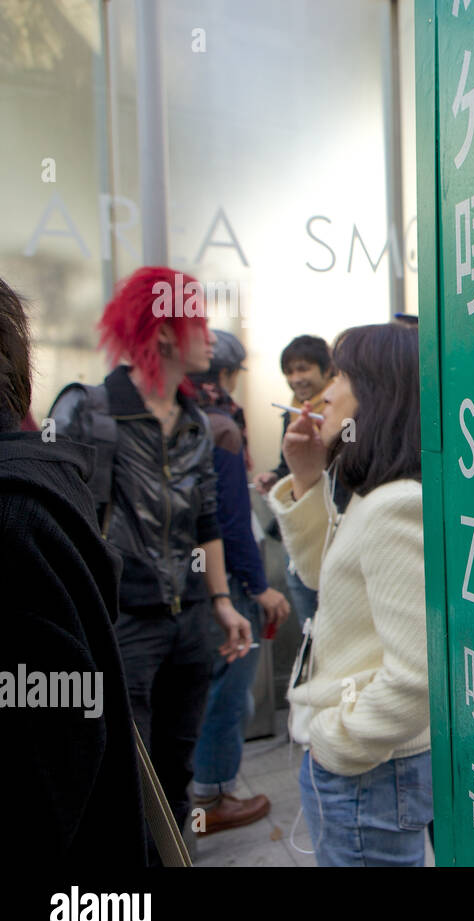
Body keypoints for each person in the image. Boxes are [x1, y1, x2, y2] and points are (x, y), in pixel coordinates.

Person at [49, 266, 253, 859]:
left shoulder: (195, 421)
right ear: (163, 331)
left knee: (175, 760)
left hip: (188, 618)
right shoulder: (90, 411)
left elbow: (206, 518)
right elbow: (55, 511)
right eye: (198, 321)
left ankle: (172, 857)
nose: (210, 338)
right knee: (123, 766)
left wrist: (220, 602)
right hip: (123, 621)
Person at [0, 276, 149, 866]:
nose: (211, 347)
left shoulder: (14, 513)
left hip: (135, 601)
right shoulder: (91, 407)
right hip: (125, 603)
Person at [268, 323, 430, 866]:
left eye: (342, 375)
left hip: (368, 770)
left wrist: (340, 741)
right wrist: (308, 476)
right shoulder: (375, 493)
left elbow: (418, 676)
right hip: (370, 769)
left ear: (380, 393)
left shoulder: (394, 504)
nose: (324, 392)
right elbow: (323, 579)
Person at [190, 330, 290, 834]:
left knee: (207, 687)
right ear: (226, 374)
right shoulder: (221, 427)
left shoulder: (169, 419)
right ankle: (212, 798)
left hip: (182, 582)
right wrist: (258, 586)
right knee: (230, 691)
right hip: (225, 578)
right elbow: (231, 521)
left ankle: (194, 794)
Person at [253, 335, 347, 628]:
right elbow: (290, 469)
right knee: (311, 627)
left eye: (303, 369)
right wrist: (276, 476)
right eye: (290, 372)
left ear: (327, 369)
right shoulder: (292, 414)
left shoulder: (346, 414)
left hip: (336, 528)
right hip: (299, 532)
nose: (296, 379)